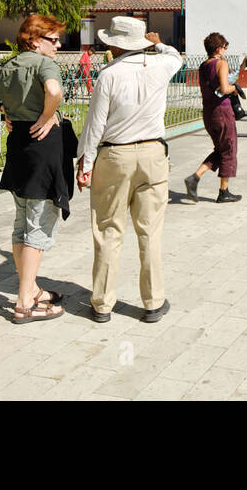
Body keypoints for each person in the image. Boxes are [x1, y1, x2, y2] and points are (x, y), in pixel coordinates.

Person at [75, 17, 182, 323]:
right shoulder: (160, 66)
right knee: (149, 232)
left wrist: (85, 162)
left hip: (115, 155)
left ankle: (102, 303)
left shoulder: (109, 74)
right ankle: (152, 301)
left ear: (114, 43)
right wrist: (156, 41)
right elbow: (175, 55)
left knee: (109, 230)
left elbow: (95, 123)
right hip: (152, 153)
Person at [0, 14, 75, 323]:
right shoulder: (44, 64)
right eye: (53, 39)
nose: (59, 45)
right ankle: (24, 302)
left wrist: (3, 108)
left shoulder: (7, 67)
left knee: (22, 220)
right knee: (37, 223)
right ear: (35, 40)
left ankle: (31, 289)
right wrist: (48, 116)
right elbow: (54, 91)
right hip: (42, 149)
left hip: (18, 145)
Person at [186, 32, 243, 203]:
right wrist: (234, 88)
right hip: (223, 112)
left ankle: (195, 177)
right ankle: (223, 191)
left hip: (208, 112)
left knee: (220, 149)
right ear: (218, 49)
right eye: (225, 47)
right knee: (229, 149)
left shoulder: (203, 66)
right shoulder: (221, 64)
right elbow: (225, 89)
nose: (225, 50)